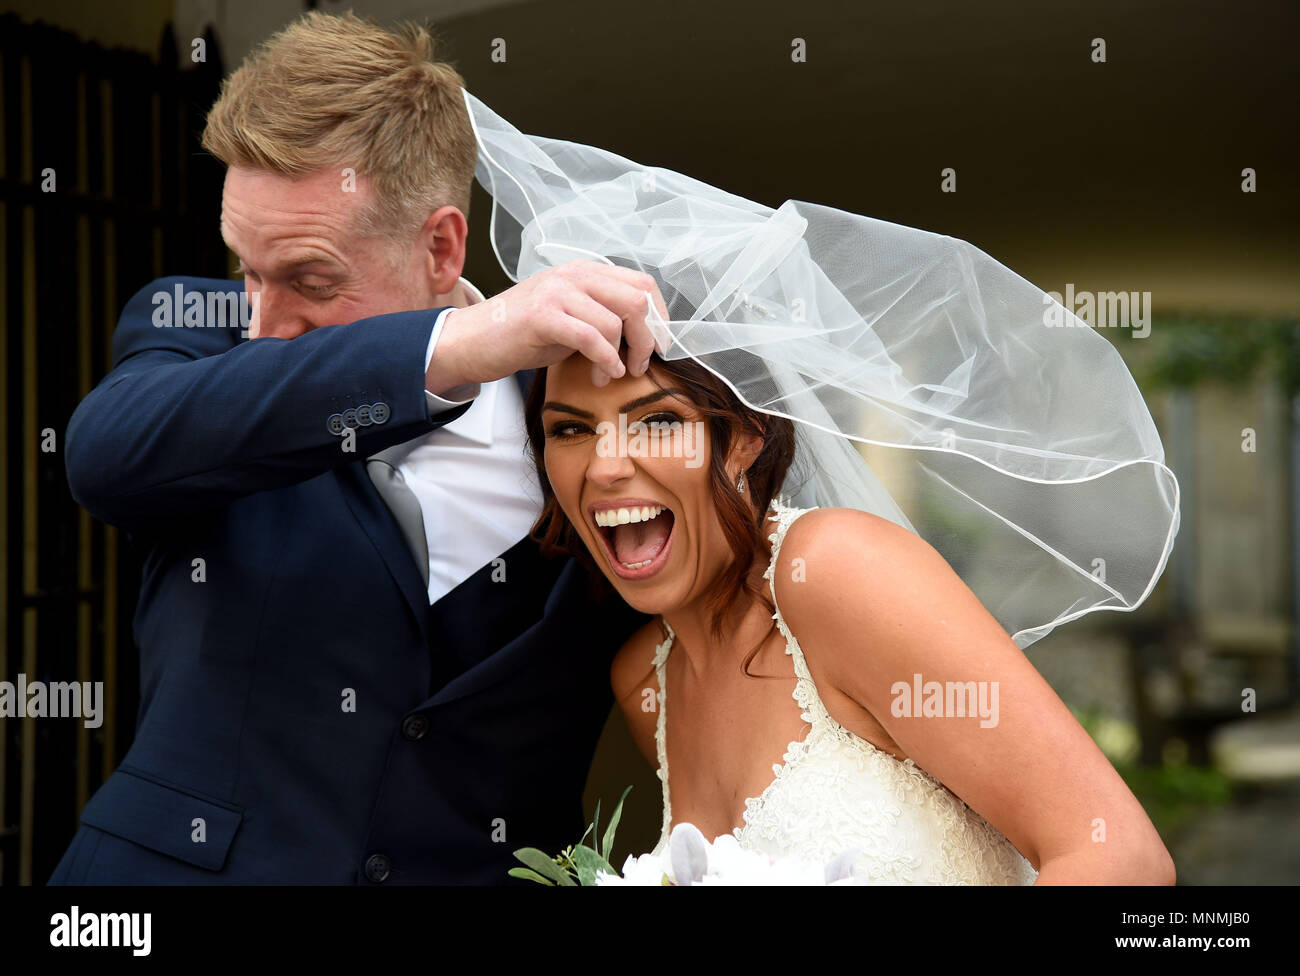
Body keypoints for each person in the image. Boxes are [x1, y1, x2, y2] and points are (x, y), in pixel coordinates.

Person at [49, 11, 670, 884]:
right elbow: (102, 454)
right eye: (245, 268)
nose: (264, 325)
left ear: (442, 244)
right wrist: (447, 349)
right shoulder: (191, 339)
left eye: (310, 279)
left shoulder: (584, 425)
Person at [523, 345, 1178, 884]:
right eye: (571, 429)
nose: (606, 467)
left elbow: (1119, 857)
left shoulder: (835, 571)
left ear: (745, 437)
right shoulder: (645, 684)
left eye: (659, 421)